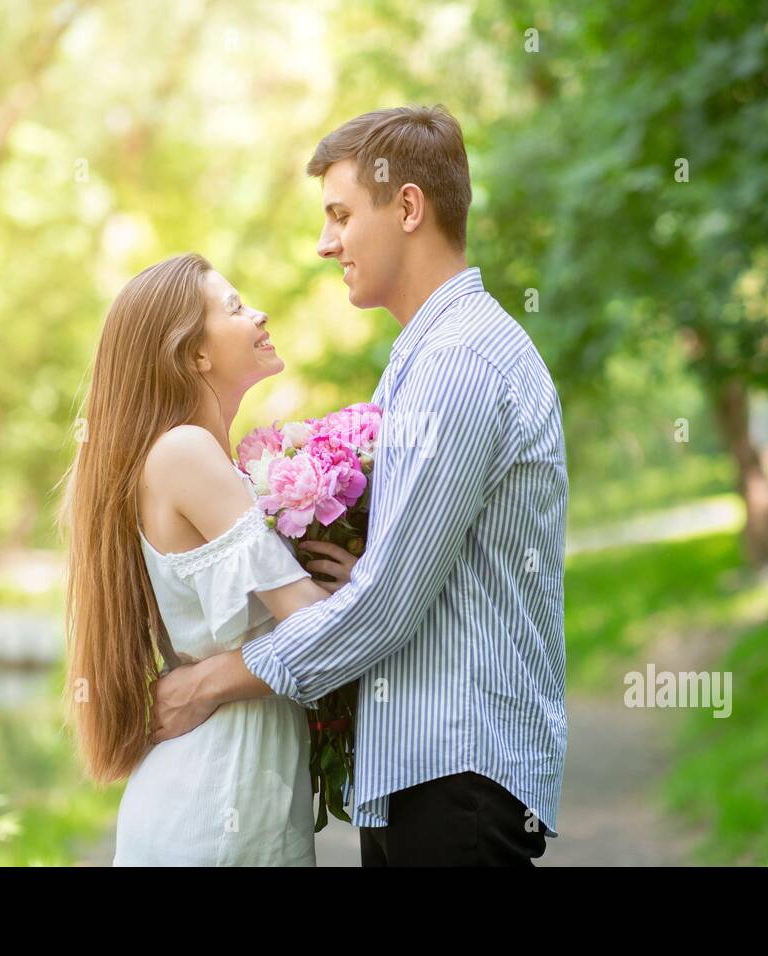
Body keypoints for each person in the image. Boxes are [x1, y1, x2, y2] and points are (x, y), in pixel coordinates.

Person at [151, 105, 569, 866]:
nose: (325, 243)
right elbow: (392, 580)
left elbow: (385, 607)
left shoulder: (458, 364)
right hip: (428, 770)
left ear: (408, 207)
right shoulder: (422, 358)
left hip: (457, 776)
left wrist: (208, 683)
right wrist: (363, 572)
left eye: (341, 215)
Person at [62, 253, 359, 865]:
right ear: (194, 354)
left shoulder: (201, 461)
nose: (259, 313)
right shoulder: (185, 452)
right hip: (213, 800)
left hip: (236, 788)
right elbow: (311, 626)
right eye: (234, 307)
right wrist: (371, 588)